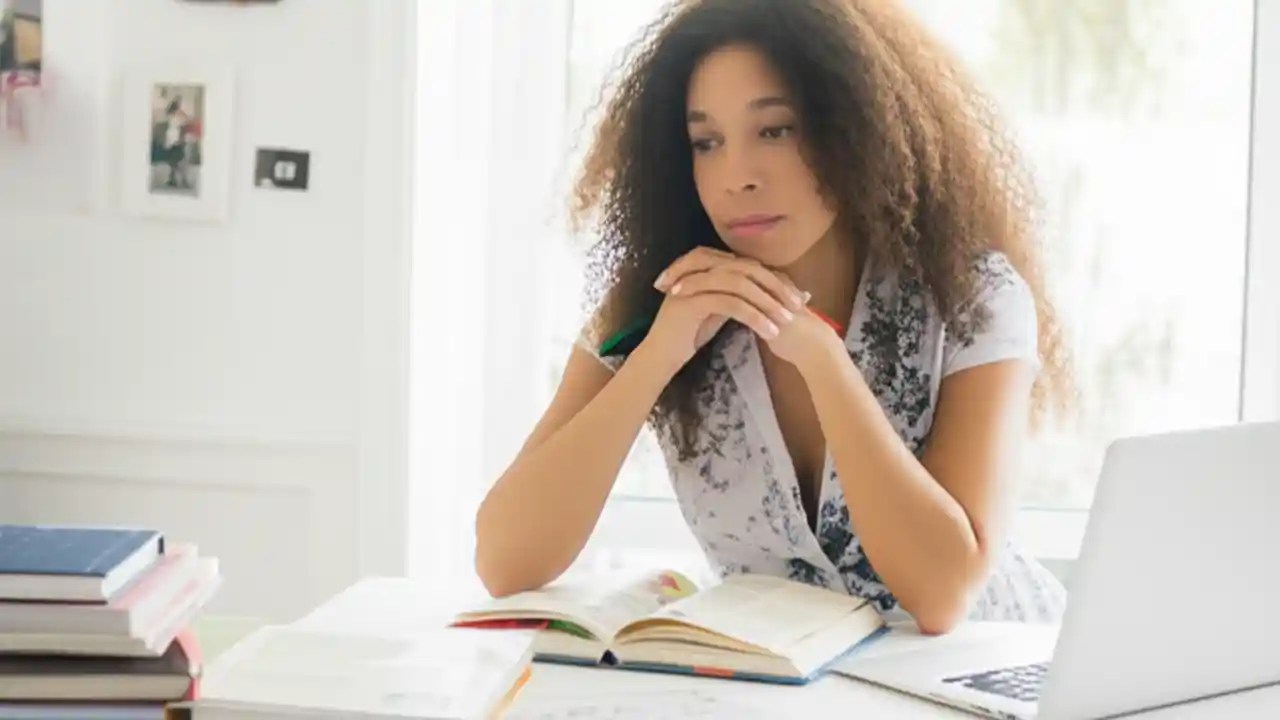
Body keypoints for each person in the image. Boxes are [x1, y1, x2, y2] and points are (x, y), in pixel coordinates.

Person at [475, 0, 1073, 633]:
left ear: (856, 129)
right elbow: (505, 561)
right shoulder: (656, 308)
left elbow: (944, 593)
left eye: (775, 130)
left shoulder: (973, 296)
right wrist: (655, 359)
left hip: (994, 675)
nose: (737, 176)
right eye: (705, 142)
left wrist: (823, 362)